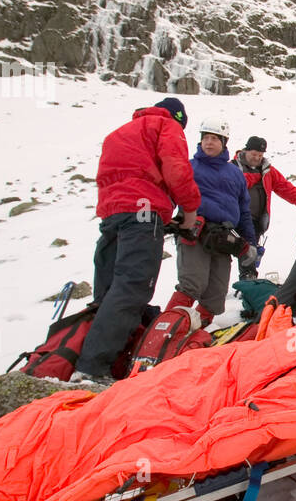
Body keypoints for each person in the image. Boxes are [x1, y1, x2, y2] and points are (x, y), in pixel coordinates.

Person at [72, 97, 200, 383]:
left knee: (108, 291)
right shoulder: (167, 126)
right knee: (133, 287)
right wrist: (189, 211)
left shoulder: (120, 133)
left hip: (112, 214)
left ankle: (90, 357)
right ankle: (91, 369)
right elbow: (176, 168)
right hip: (142, 213)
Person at [169, 118, 259, 328]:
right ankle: (166, 333)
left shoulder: (235, 173)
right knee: (191, 285)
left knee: (215, 296)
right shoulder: (189, 167)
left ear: (224, 142)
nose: (208, 143)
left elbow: (244, 211)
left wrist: (250, 243)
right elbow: (170, 195)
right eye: (205, 138)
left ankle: (193, 333)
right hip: (194, 233)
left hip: (223, 239)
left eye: (214, 139)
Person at [232, 135, 296, 279]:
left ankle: (248, 279)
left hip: (256, 220)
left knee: (250, 250)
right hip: (235, 217)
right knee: (228, 251)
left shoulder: (268, 171)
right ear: (246, 150)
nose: (257, 158)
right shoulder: (233, 167)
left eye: (260, 155)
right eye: (254, 154)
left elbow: (286, 189)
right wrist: (254, 178)